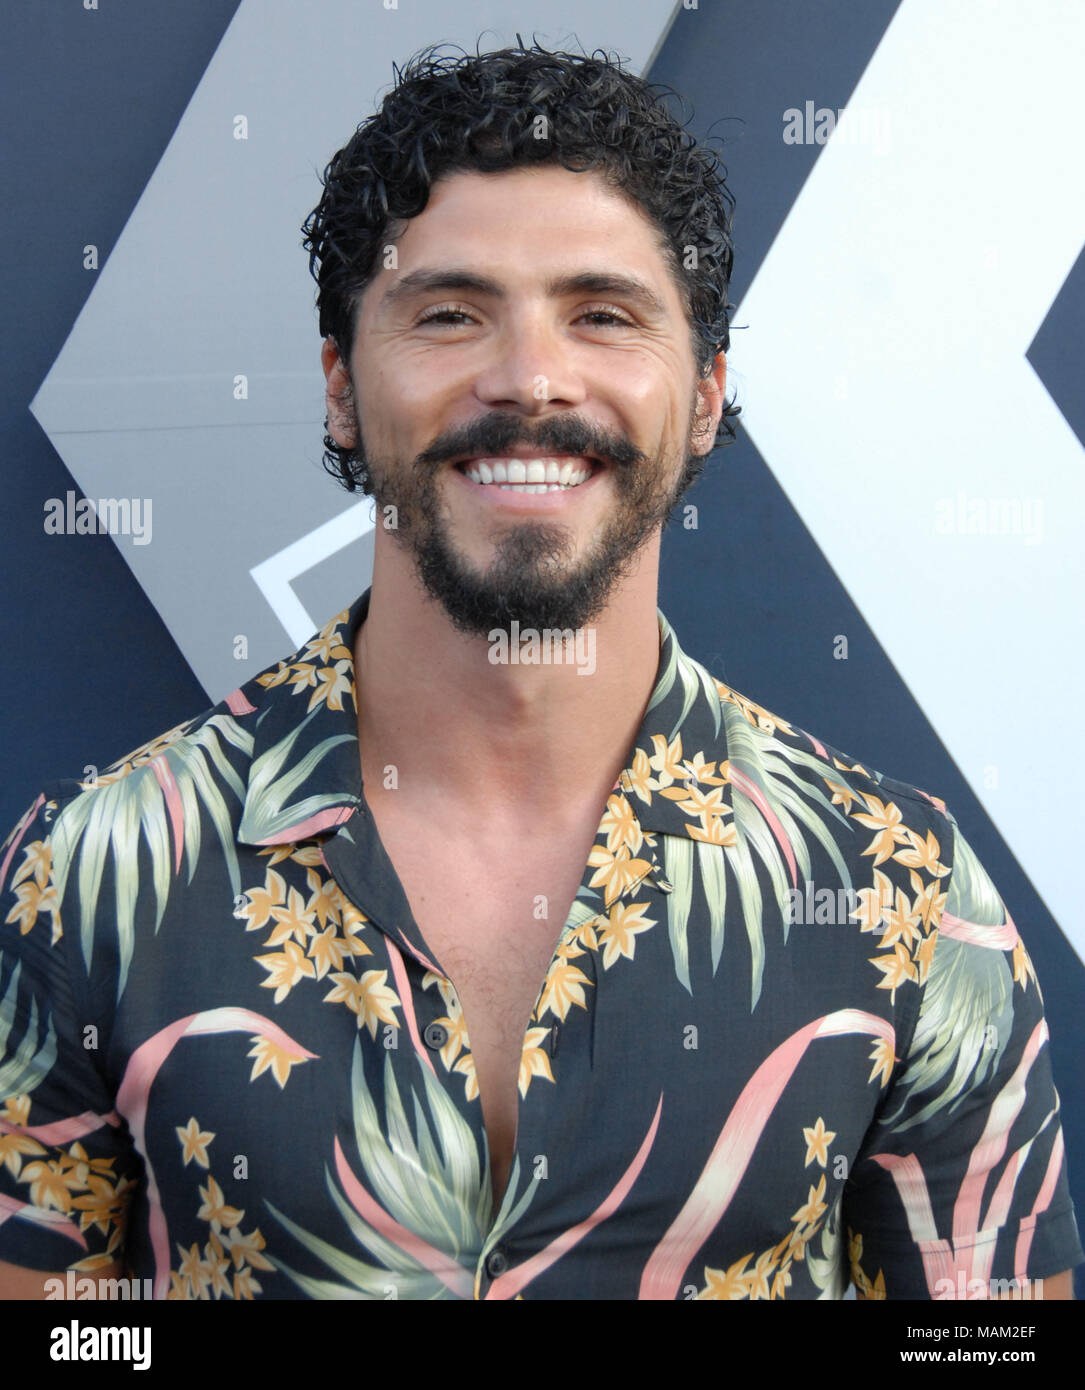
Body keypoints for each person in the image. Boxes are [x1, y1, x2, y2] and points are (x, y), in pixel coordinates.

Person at [0, 42, 1079, 1302]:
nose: (527, 378)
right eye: (449, 313)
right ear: (342, 385)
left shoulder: (905, 894)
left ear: (707, 396)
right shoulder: (91, 872)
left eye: (603, 315)